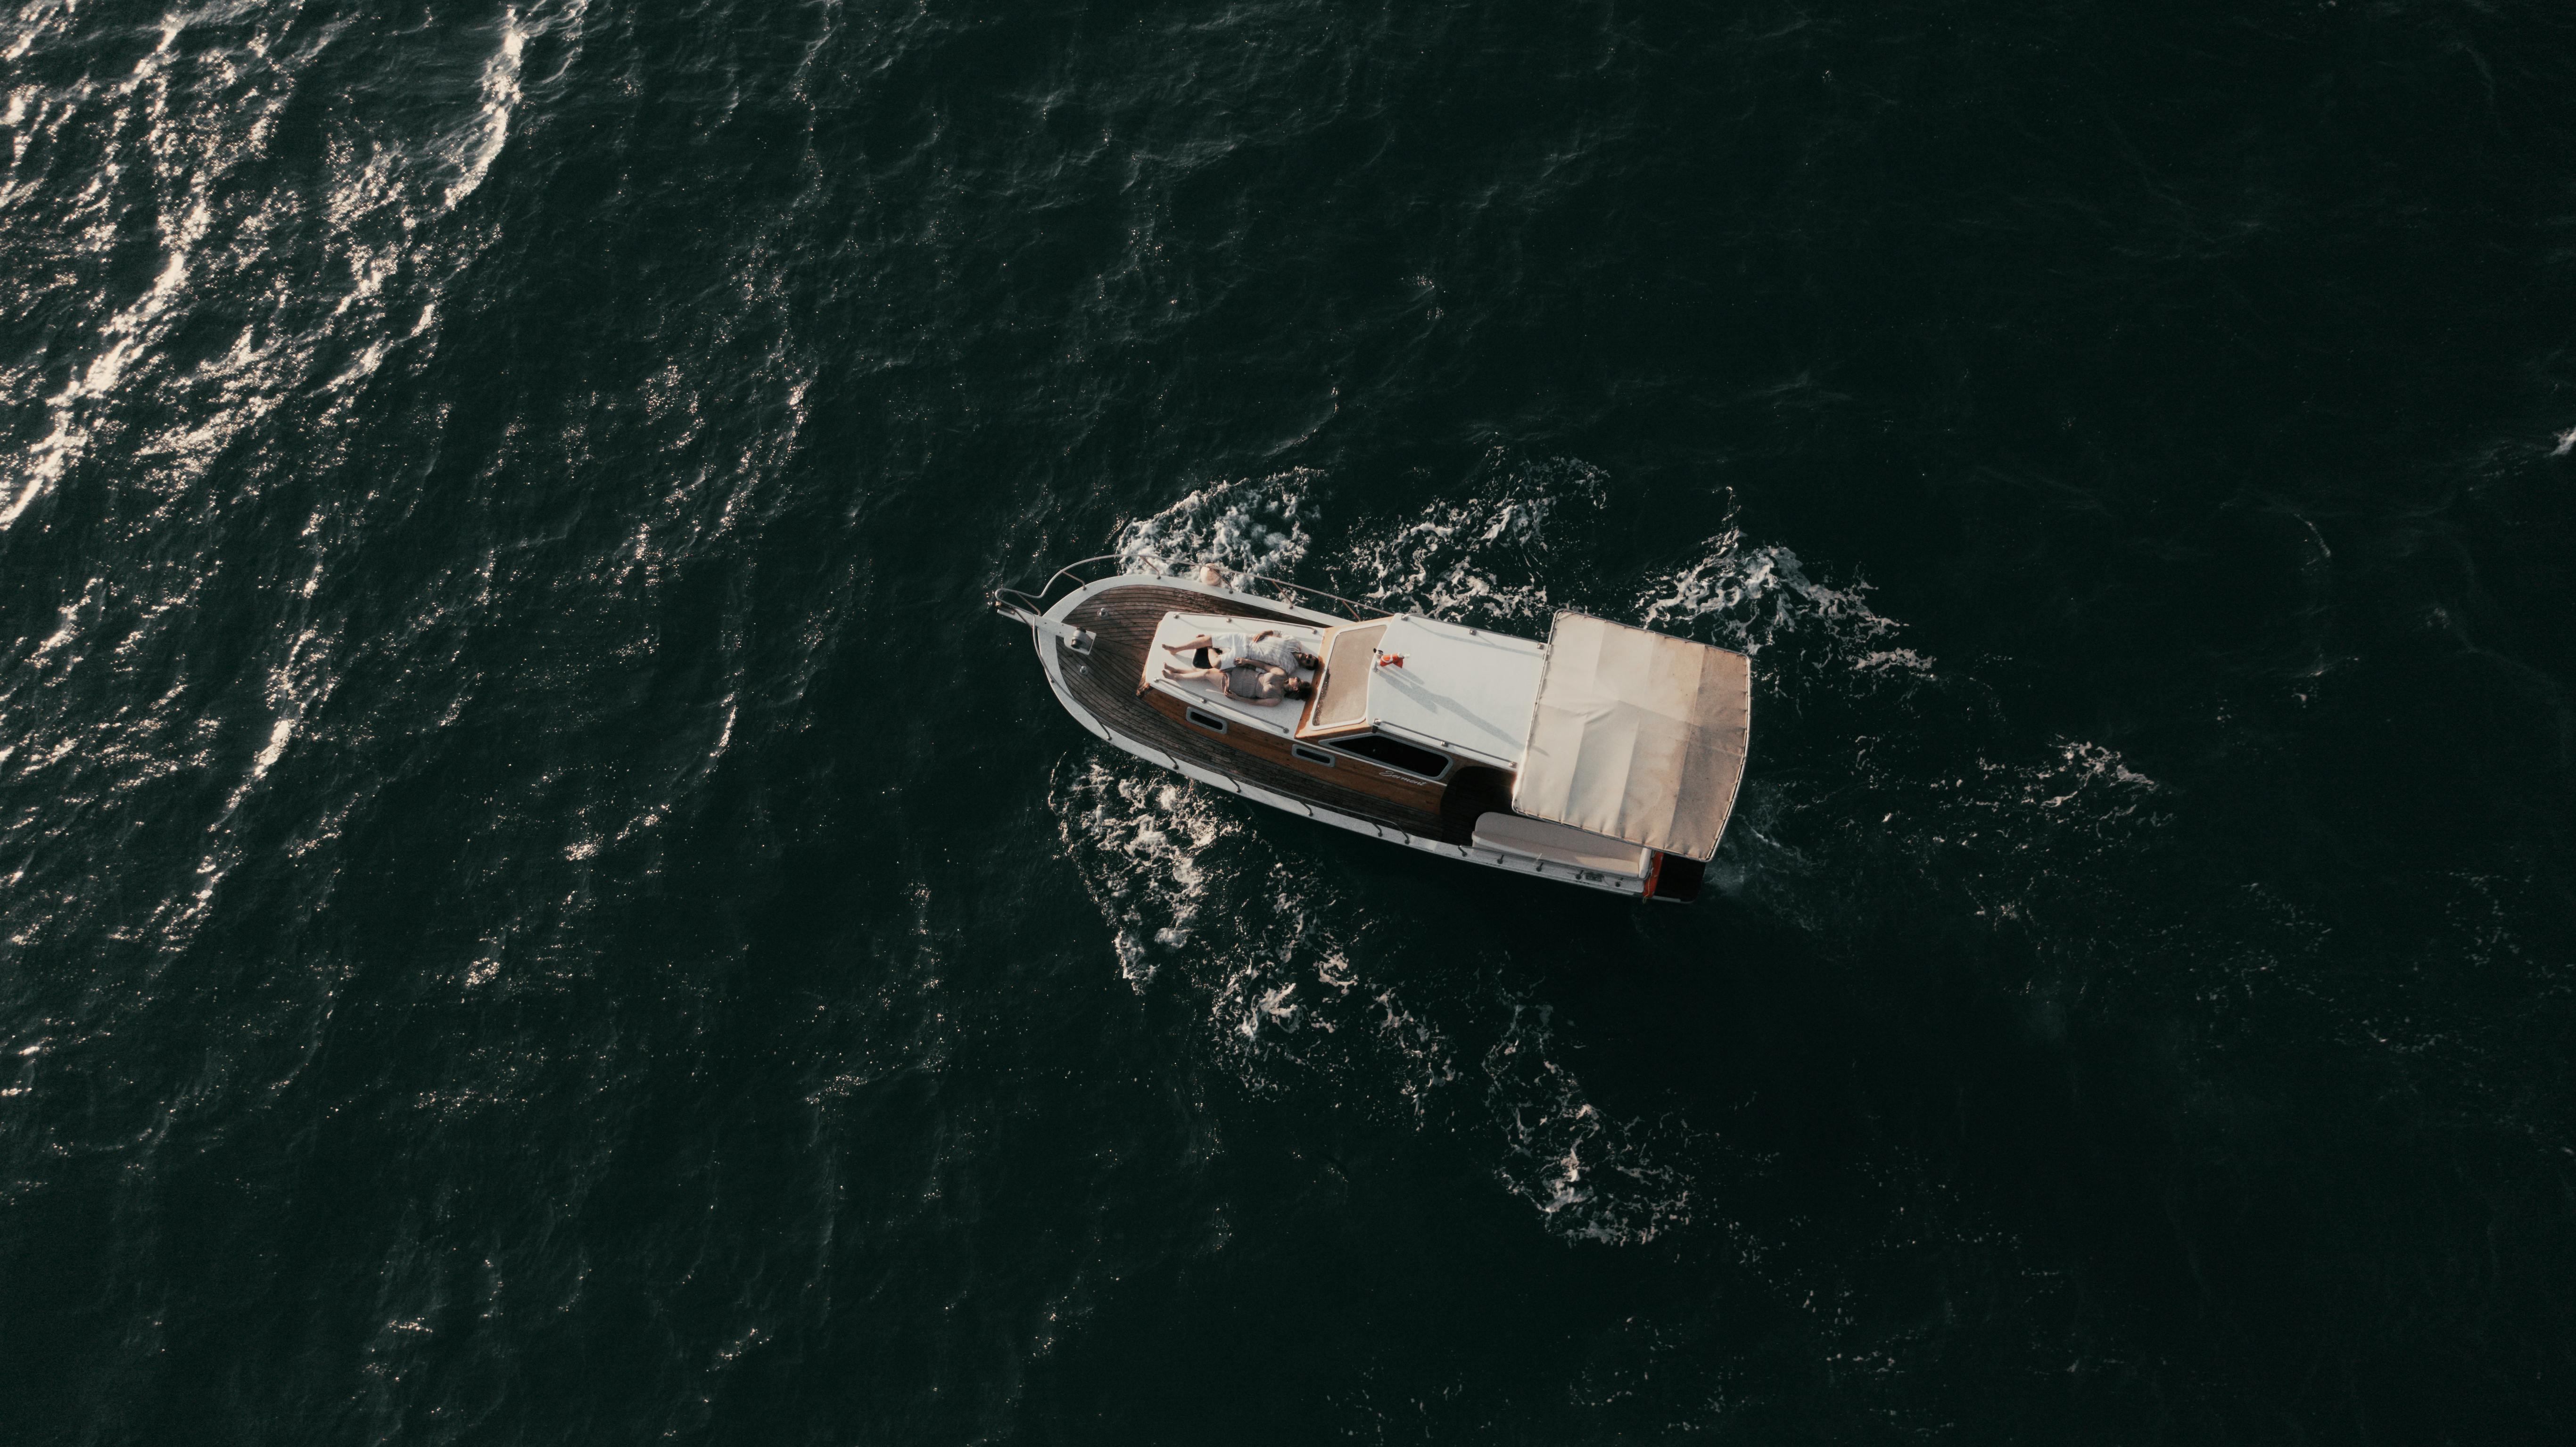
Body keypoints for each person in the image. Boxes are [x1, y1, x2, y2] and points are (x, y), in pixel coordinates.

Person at [1162, 659, 1314, 706]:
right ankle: (1176, 671)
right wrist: (1246, 662)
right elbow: (1263, 666)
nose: (1297, 678)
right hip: (1242, 673)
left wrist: (1236, 697)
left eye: (1299, 681)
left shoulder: (1277, 699)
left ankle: (1177, 676)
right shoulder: (1281, 674)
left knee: (1208, 674)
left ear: (1295, 688)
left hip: (1238, 687)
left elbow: (1255, 702)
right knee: (1208, 672)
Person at [1161, 629, 1319, 673]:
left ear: (1305, 666)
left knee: (1216, 664)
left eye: (1308, 661)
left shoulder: (1289, 668)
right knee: (1208, 638)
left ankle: (1210, 648)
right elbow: (1279, 633)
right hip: (1245, 639)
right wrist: (1265, 633)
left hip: (1245, 654)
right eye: (1310, 656)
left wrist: (1247, 664)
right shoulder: (1295, 644)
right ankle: (1176, 649)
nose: (1306, 657)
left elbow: (1265, 669)